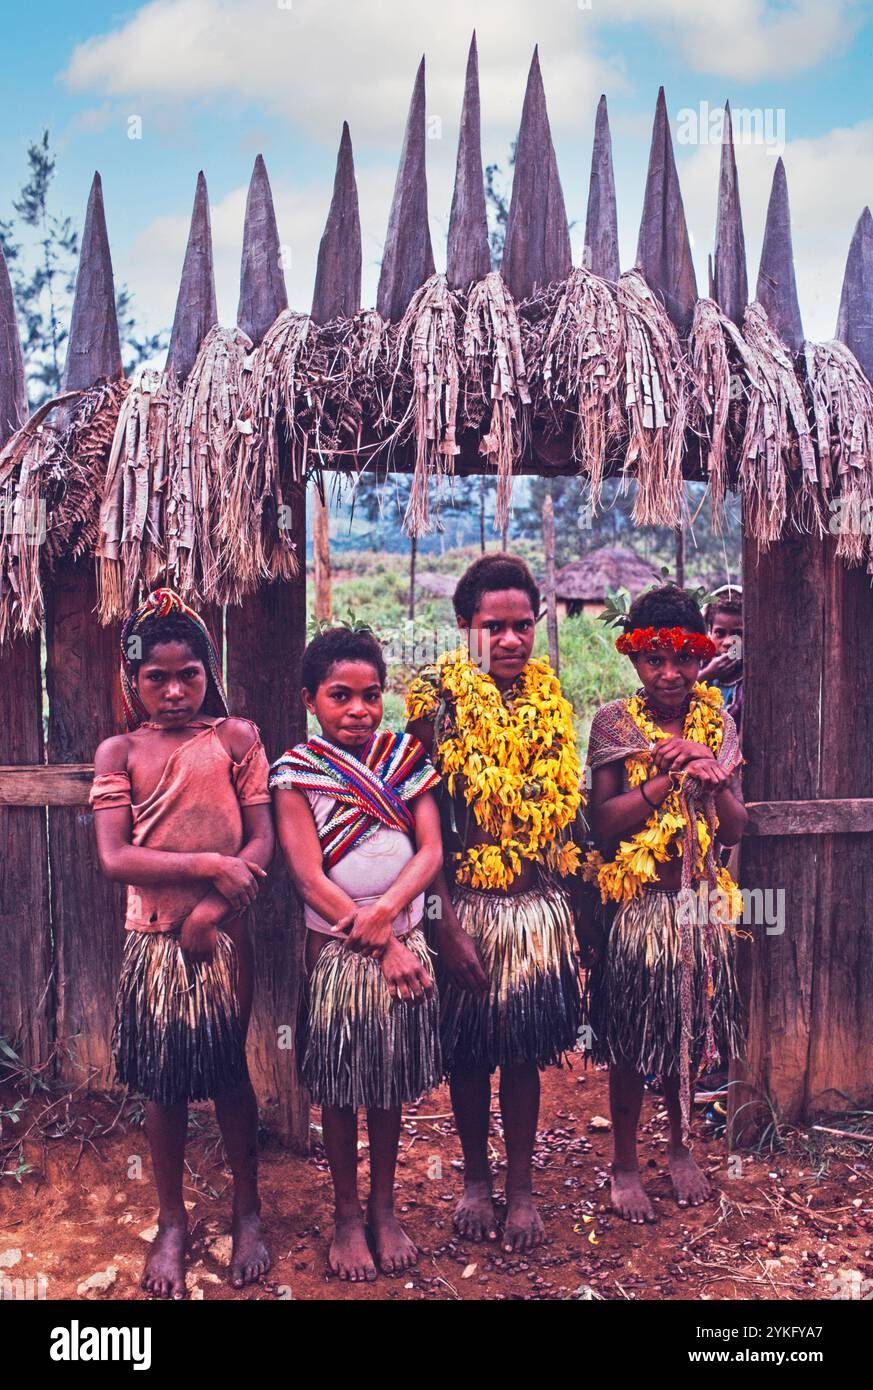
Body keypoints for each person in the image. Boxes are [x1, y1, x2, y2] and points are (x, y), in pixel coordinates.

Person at [90, 588, 275, 1297]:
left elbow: (260, 841)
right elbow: (116, 858)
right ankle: (172, 1220)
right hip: (152, 946)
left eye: (187, 674)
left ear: (208, 670)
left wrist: (210, 914)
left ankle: (247, 1210)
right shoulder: (121, 751)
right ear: (132, 681)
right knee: (163, 1086)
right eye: (156, 678)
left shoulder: (235, 739)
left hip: (222, 942)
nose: (173, 691)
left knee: (229, 1070)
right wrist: (205, 869)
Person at [406, 554, 584, 1254]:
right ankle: (475, 1180)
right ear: (462, 627)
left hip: (534, 908)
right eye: (492, 628)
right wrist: (441, 923)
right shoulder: (437, 706)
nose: (509, 640)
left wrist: (575, 913)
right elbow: (416, 819)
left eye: (521, 626)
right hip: (466, 907)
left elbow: (562, 819)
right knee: (471, 1052)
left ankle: (521, 1189)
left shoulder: (549, 699)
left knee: (523, 1054)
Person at [271, 625, 443, 1282]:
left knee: (388, 1080)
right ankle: (346, 1215)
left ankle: (383, 1206)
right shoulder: (296, 775)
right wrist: (376, 936)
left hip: (399, 941)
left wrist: (388, 919)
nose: (358, 710)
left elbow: (429, 850)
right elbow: (307, 875)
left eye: (371, 695)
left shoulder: (403, 760)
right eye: (340, 696)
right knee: (343, 1084)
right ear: (311, 699)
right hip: (339, 957)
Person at [583, 583, 747, 1224]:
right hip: (639, 910)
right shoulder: (612, 722)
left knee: (689, 1032)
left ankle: (679, 1146)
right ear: (634, 660)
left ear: (702, 656)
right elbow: (602, 824)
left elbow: (732, 829)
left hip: (700, 909)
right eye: (654, 659)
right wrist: (665, 778)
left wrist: (708, 766)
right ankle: (625, 1161)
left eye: (683, 659)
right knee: (629, 1037)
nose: (670, 673)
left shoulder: (718, 724)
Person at [700, 585, 743, 736]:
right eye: (720, 633)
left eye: (737, 634)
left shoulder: (748, 680)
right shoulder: (701, 666)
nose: (727, 642)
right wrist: (707, 675)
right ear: (710, 633)